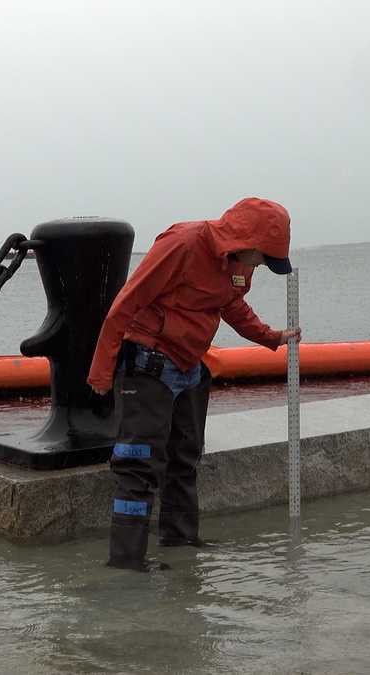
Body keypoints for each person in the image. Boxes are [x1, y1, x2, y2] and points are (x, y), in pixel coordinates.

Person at [87, 197, 300, 571]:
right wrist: (102, 373)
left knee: (185, 456)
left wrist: (272, 337)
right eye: (262, 258)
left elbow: (232, 305)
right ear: (245, 241)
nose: (261, 266)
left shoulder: (239, 265)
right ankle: (126, 560)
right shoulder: (183, 244)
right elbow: (126, 302)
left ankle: (181, 537)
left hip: (190, 364)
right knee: (138, 465)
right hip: (149, 363)